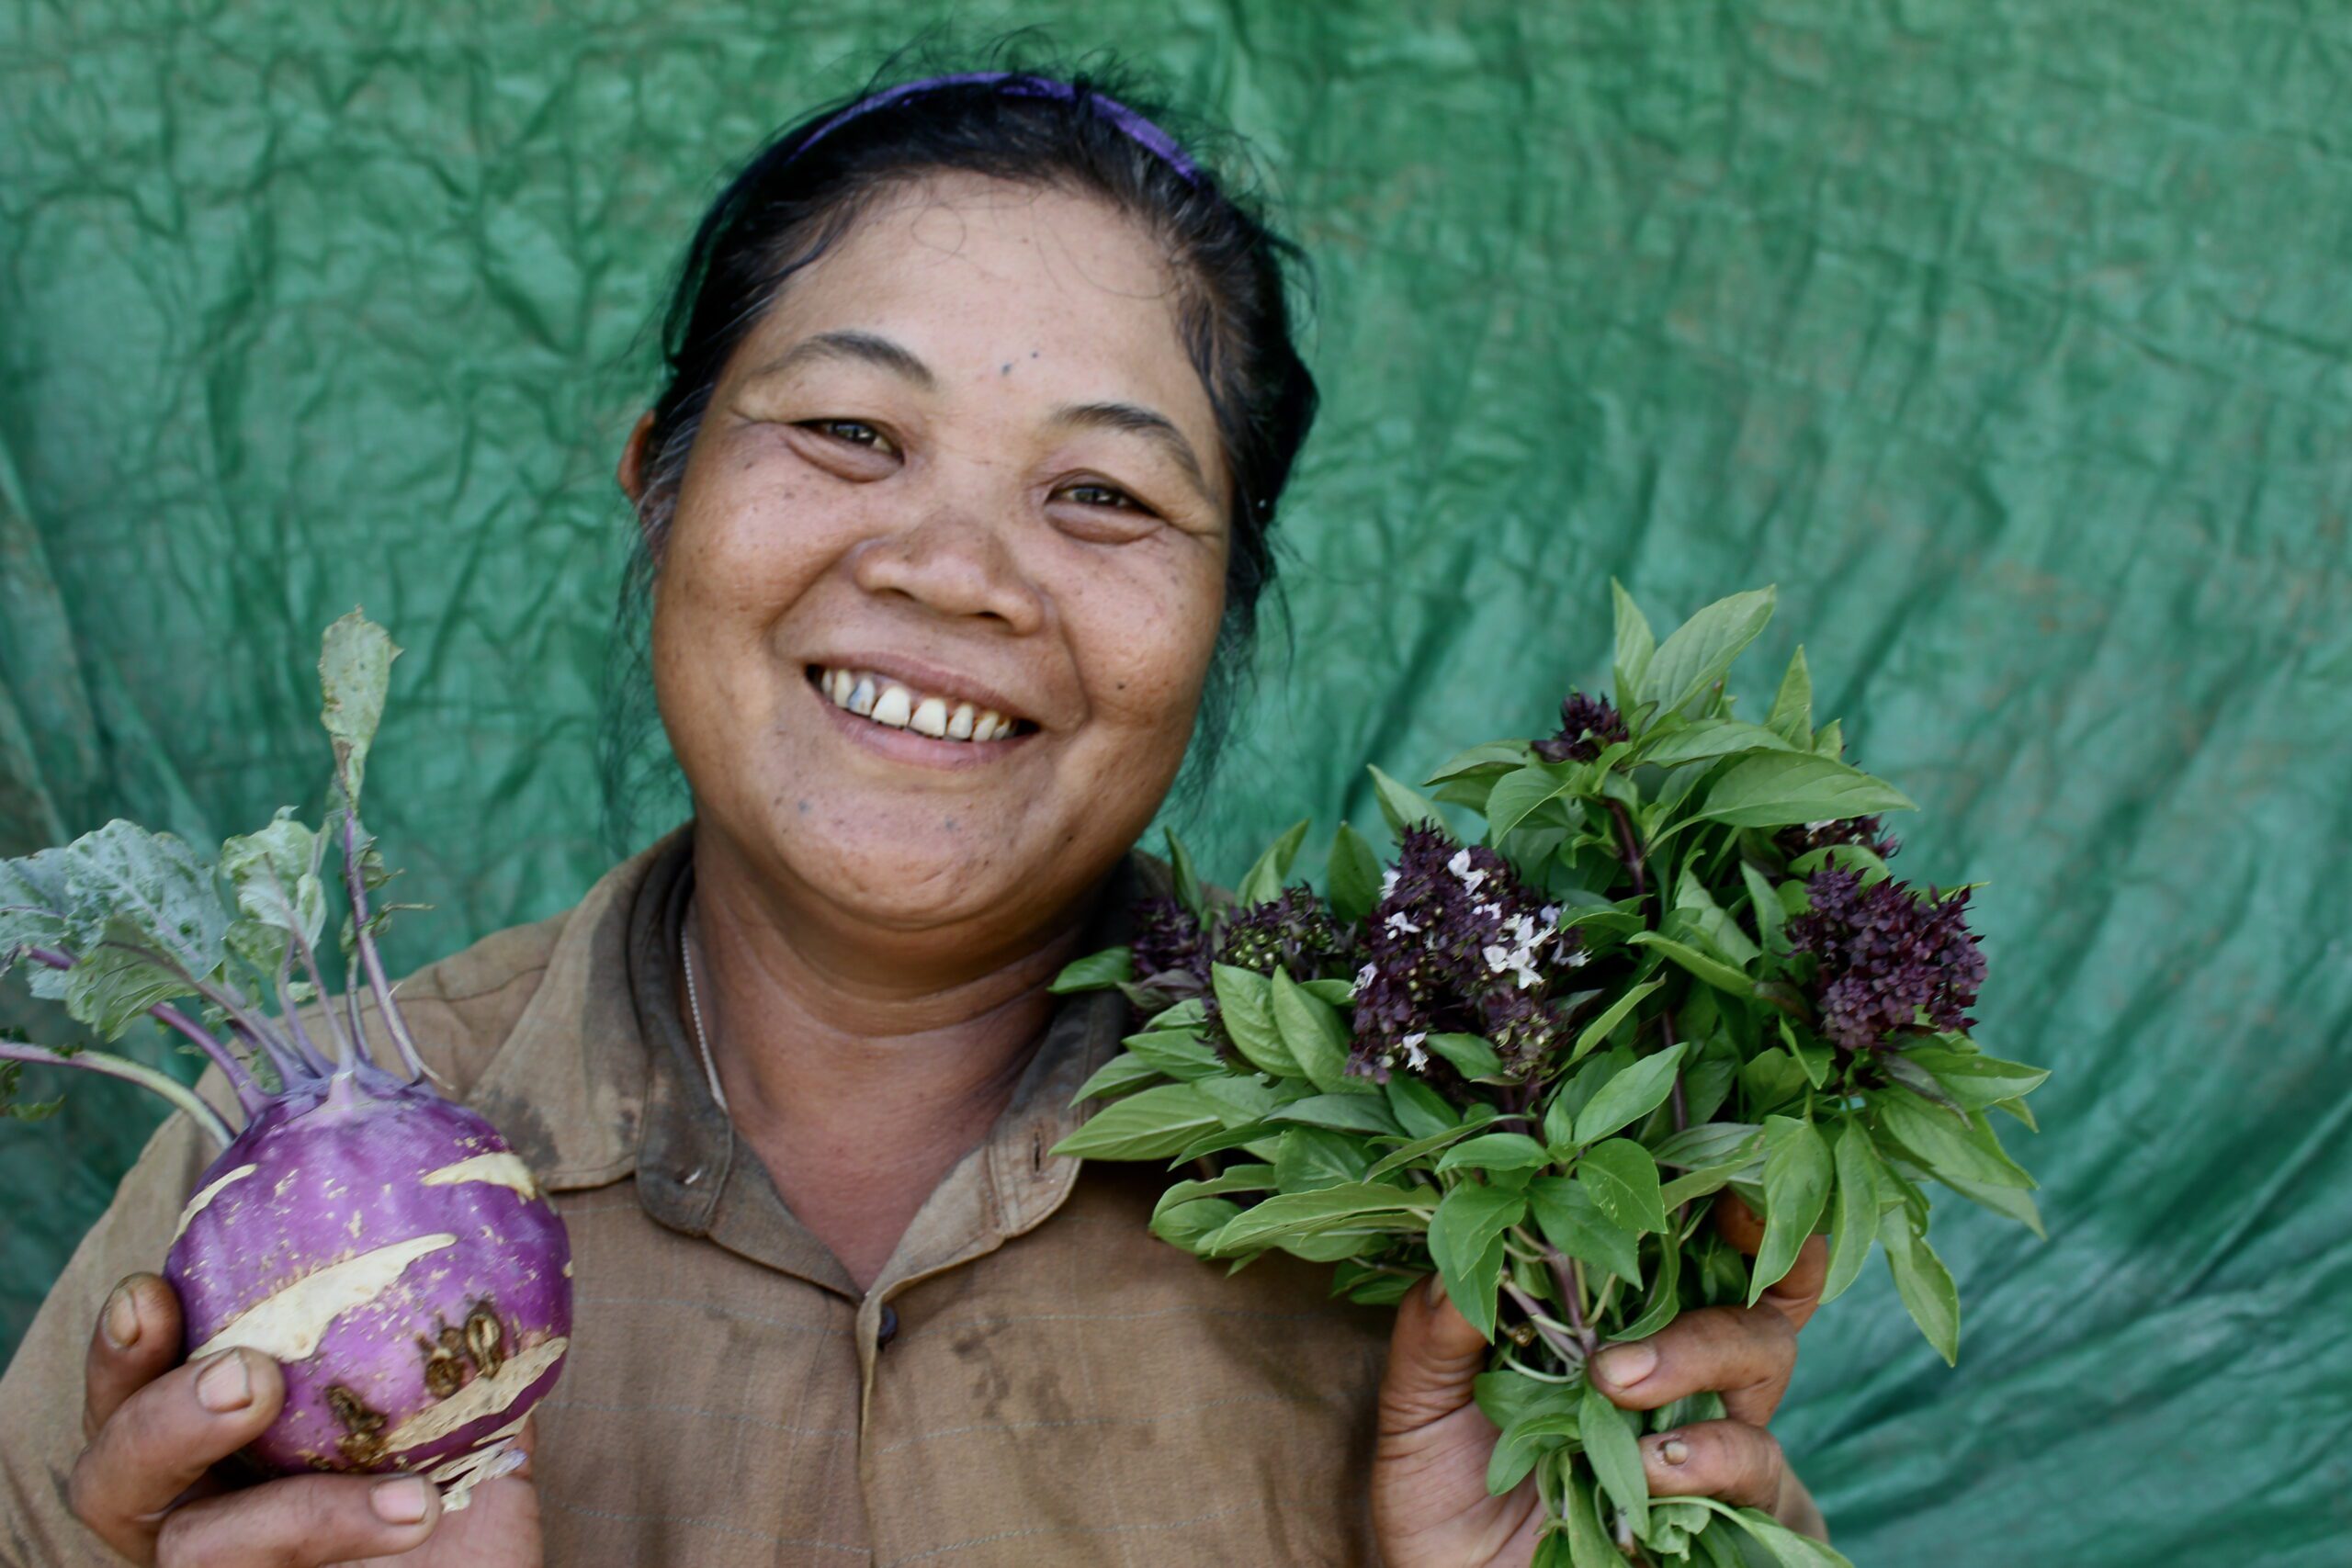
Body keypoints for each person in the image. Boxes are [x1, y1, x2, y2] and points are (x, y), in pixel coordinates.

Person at [0, 61, 1830, 1566]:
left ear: (1220, 619)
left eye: (1101, 494)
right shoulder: (269, 1195)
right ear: (658, 485)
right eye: (852, 434)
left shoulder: (1464, 1211)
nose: (952, 569)